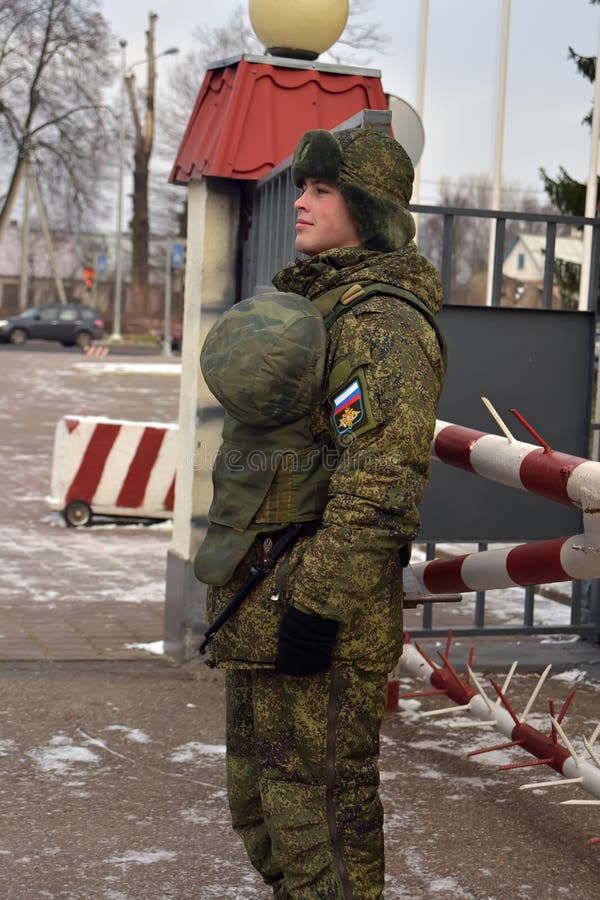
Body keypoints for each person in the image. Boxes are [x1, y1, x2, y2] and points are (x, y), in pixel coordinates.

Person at [194, 125, 446, 899]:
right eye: (303, 187)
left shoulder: (381, 323)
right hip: (264, 599)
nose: (301, 202)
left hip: (316, 614)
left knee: (320, 818)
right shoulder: (322, 303)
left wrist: (316, 606)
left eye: (322, 189)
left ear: (367, 209)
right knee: (262, 806)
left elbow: (381, 479)